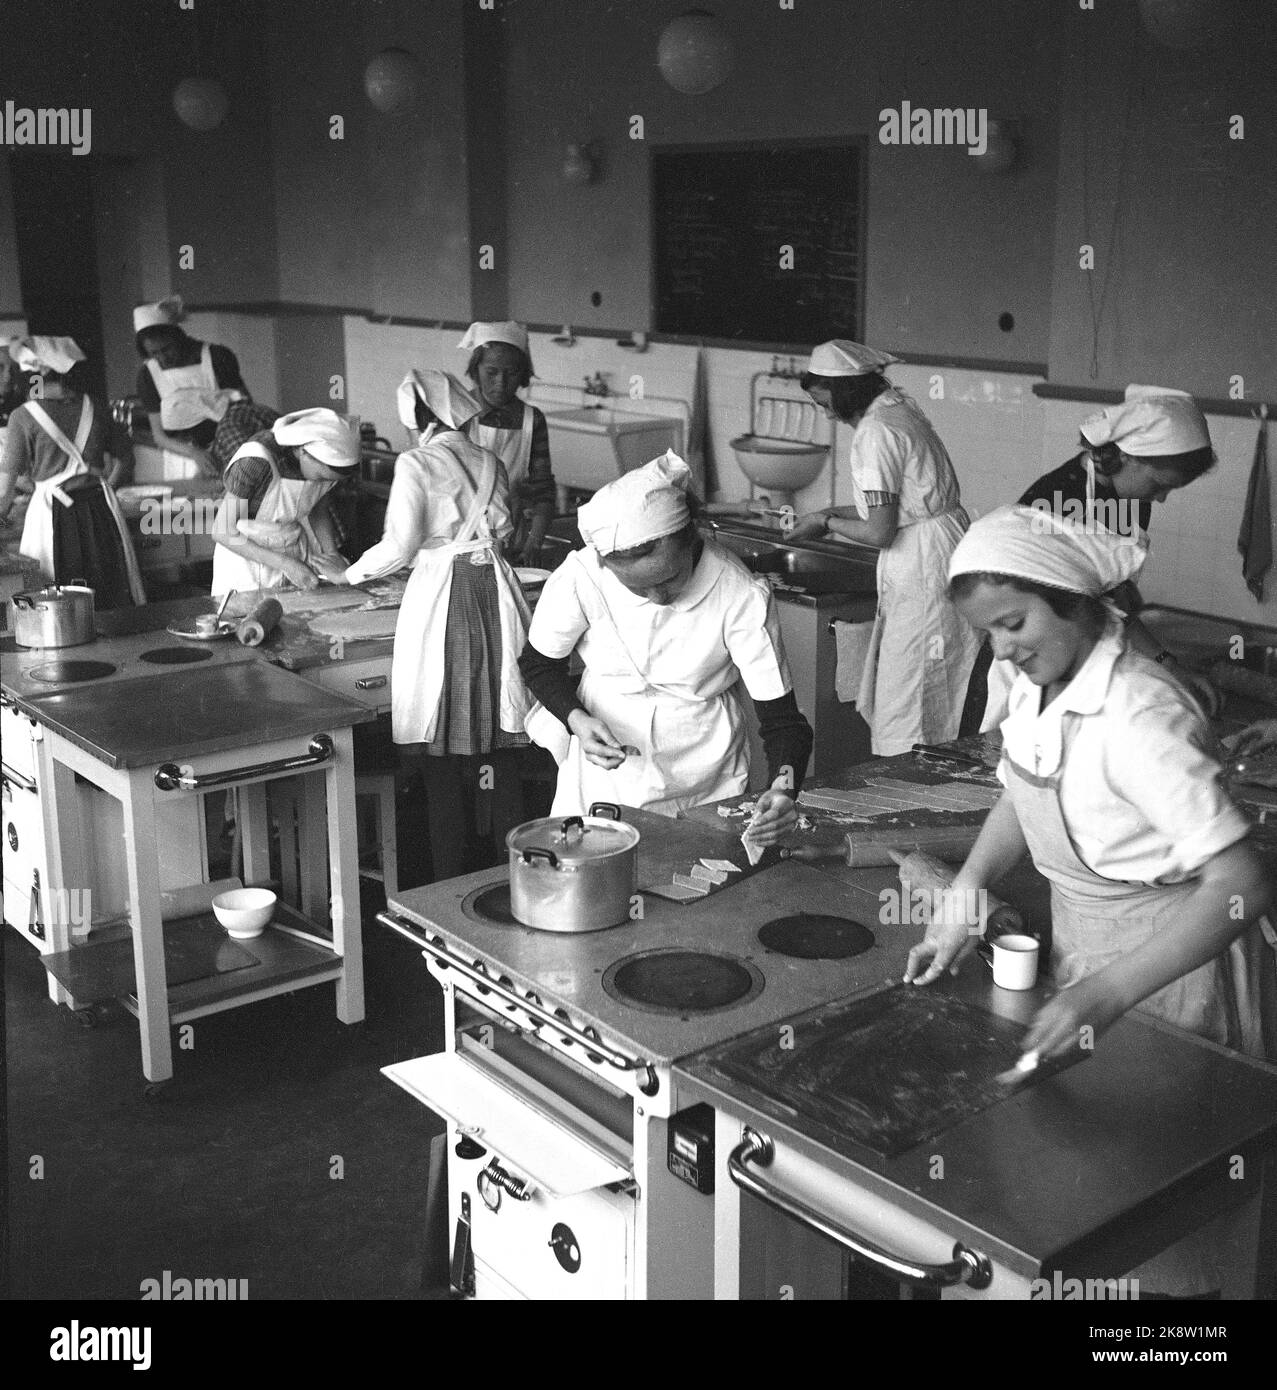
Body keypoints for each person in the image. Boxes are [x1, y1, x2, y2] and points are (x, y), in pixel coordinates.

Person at [519, 451, 813, 838]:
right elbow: (539, 664)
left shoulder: (738, 592)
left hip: (704, 767)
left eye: (671, 578)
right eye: (638, 588)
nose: (659, 597)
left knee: (700, 873)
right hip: (602, 769)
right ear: (607, 565)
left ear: (690, 540)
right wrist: (577, 719)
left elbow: (784, 723)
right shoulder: (582, 576)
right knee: (594, 870)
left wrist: (783, 786)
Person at [338, 370, 533, 878]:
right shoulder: (489, 460)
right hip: (497, 594)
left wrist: (349, 572)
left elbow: (401, 545)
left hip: (449, 602)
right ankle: (507, 870)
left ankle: (448, 877)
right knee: (500, 746)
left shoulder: (416, 461)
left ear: (418, 419)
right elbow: (505, 529)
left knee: (442, 751)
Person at [973, 385, 1221, 729]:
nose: (1161, 498)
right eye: (1159, 484)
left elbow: (1114, 602)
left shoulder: (1129, 499)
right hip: (1025, 663)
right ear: (1130, 458)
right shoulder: (1057, 500)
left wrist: (1168, 665)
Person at [789, 340, 980, 754]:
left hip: (924, 566)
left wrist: (825, 521)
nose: (825, 412)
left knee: (909, 696)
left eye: (825, 402)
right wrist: (827, 513)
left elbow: (880, 532)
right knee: (930, 684)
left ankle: (910, 784)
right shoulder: (899, 412)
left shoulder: (876, 432)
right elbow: (895, 506)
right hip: (940, 546)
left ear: (846, 392)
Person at [0, 336, 144, 607]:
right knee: (108, 598)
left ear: (38, 372)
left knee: (56, 606)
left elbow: (4, 492)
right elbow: (126, 460)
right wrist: (106, 487)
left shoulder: (23, 416)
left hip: (52, 514)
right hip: (101, 511)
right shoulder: (96, 407)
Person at [210, 407, 358, 595]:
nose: (323, 484)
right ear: (303, 452)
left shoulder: (327, 466)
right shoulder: (256, 460)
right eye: (321, 477)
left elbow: (318, 510)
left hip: (295, 549)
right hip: (246, 560)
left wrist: (332, 555)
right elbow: (221, 530)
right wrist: (285, 564)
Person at [457, 321, 555, 565]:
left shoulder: (533, 421)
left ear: (522, 374)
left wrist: (533, 545)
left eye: (511, 373)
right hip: (459, 539)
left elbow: (543, 491)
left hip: (514, 543)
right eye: (491, 372)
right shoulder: (457, 412)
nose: (501, 383)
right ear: (475, 368)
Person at [133, 297, 251, 480]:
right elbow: (159, 436)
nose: (163, 358)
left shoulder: (217, 357)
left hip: (228, 448)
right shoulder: (148, 375)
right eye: (154, 353)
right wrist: (194, 453)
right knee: (188, 507)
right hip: (182, 456)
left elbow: (245, 406)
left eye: (166, 349)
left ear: (178, 336)